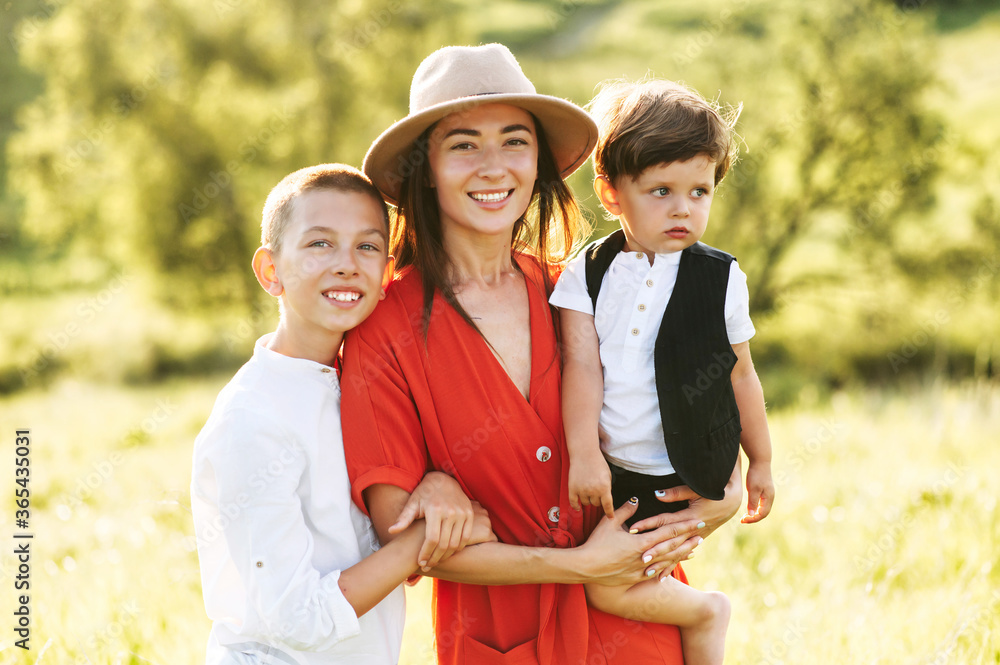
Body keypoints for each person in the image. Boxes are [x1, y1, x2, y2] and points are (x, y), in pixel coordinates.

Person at [343, 44, 743, 665]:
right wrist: (577, 566)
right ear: (426, 168)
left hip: (637, 631)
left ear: (538, 162)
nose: (494, 167)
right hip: (500, 642)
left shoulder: (583, 293)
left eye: (514, 141)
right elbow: (406, 538)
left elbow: (701, 397)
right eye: (463, 145)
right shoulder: (381, 331)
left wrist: (726, 491)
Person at [190, 163, 494, 665]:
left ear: (385, 277)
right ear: (271, 271)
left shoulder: (364, 387)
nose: (347, 264)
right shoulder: (252, 419)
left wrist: (437, 485)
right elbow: (297, 619)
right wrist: (421, 538)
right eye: (319, 244)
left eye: (367, 246)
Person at [549, 79, 776, 664]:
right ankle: (695, 613)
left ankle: (705, 615)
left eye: (700, 190)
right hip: (619, 472)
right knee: (613, 578)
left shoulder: (721, 278)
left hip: (690, 468)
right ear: (611, 192)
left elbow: (741, 374)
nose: (683, 208)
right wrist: (583, 451)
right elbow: (580, 367)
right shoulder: (587, 275)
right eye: (661, 190)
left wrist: (763, 462)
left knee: (606, 586)